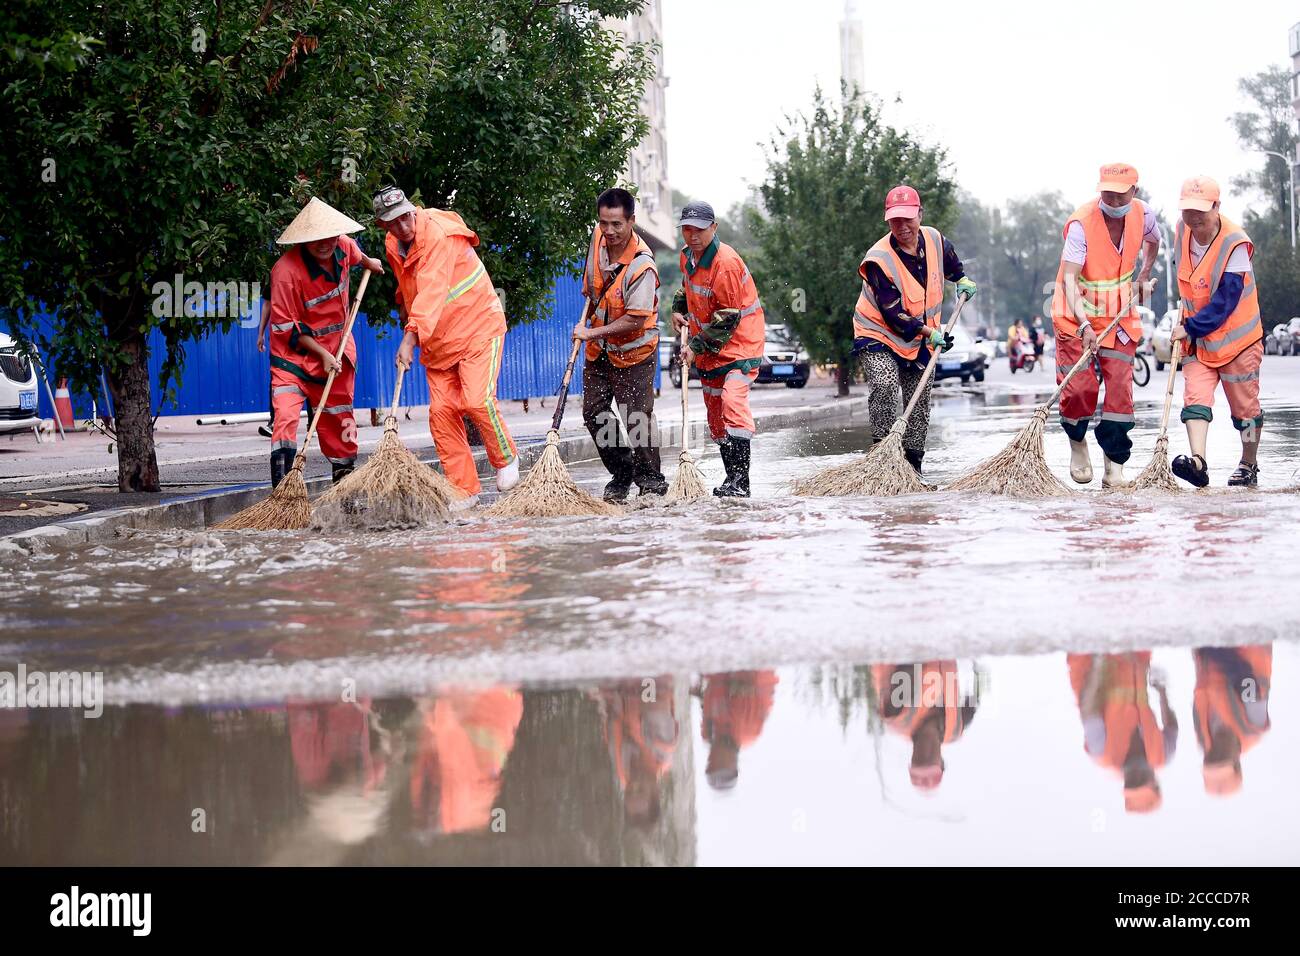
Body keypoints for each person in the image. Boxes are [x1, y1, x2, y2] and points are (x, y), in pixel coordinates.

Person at [377, 186, 520, 508]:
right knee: (441, 414)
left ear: (412, 209)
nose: (401, 226)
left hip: (477, 328)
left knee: (476, 401)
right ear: (383, 225)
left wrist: (409, 338)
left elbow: (430, 293)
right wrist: (404, 311)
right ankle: (463, 489)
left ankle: (506, 458)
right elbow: (407, 286)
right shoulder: (392, 244)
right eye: (392, 222)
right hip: (439, 342)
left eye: (404, 217)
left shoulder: (437, 236)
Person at [852, 185, 977, 476]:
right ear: (887, 221)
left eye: (908, 218)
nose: (902, 226)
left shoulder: (935, 239)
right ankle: (881, 457)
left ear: (920, 214)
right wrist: (930, 334)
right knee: (884, 386)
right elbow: (894, 315)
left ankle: (913, 467)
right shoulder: (878, 260)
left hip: (921, 338)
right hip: (879, 334)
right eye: (895, 220)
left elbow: (952, 265)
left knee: (919, 400)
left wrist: (961, 280)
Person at [1050, 163, 1160, 487]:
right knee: (1081, 388)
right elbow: (1069, 278)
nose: (1111, 200)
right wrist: (1084, 325)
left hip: (1119, 315)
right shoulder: (1081, 224)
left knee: (1120, 392)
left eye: (1118, 194)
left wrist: (1143, 275)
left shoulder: (1144, 215)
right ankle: (1077, 441)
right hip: (1075, 314)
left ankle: (1115, 466)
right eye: (1106, 193)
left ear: (1134, 192)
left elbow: (1154, 242)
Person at [265, 198, 384, 487]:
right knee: (285, 418)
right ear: (304, 240)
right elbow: (286, 329)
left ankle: (344, 491)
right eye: (317, 239)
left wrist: (371, 263)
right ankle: (284, 493)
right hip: (292, 358)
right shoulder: (285, 272)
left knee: (339, 419)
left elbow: (359, 257)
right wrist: (320, 353)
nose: (324, 244)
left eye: (329, 237)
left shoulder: (342, 246)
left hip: (337, 352)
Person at [1169, 176, 1264, 488]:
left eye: (1201, 210)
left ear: (1216, 207)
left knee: (1246, 411)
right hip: (1200, 340)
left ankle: (1248, 463)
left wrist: (1190, 327)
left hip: (1238, 340)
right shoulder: (1181, 231)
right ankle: (1198, 463)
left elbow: (1226, 300)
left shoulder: (1234, 243)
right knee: (1195, 399)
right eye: (1188, 210)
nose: (1194, 217)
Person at [574, 188, 666, 502]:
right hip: (599, 351)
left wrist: (590, 334)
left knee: (636, 418)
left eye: (617, 224)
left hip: (634, 353)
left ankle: (651, 481)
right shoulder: (597, 239)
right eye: (604, 223)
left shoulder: (643, 267)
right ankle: (622, 472)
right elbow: (592, 280)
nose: (609, 231)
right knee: (594, 413)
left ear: (631, 221)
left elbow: (635, 320)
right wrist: (589, 292)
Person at [671, 201, 766, 497]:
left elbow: (728, 318)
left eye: (699, 229)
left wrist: (694, 348)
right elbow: (689, 289)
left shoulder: (725, 262)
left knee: (731, 402)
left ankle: (741, 482)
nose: (693, 235)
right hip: (711, 349)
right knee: (715, 415)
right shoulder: (687, 257)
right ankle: (730, 478)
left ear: (713, 228)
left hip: (740, 345)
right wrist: (677, 308)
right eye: (687, 229)